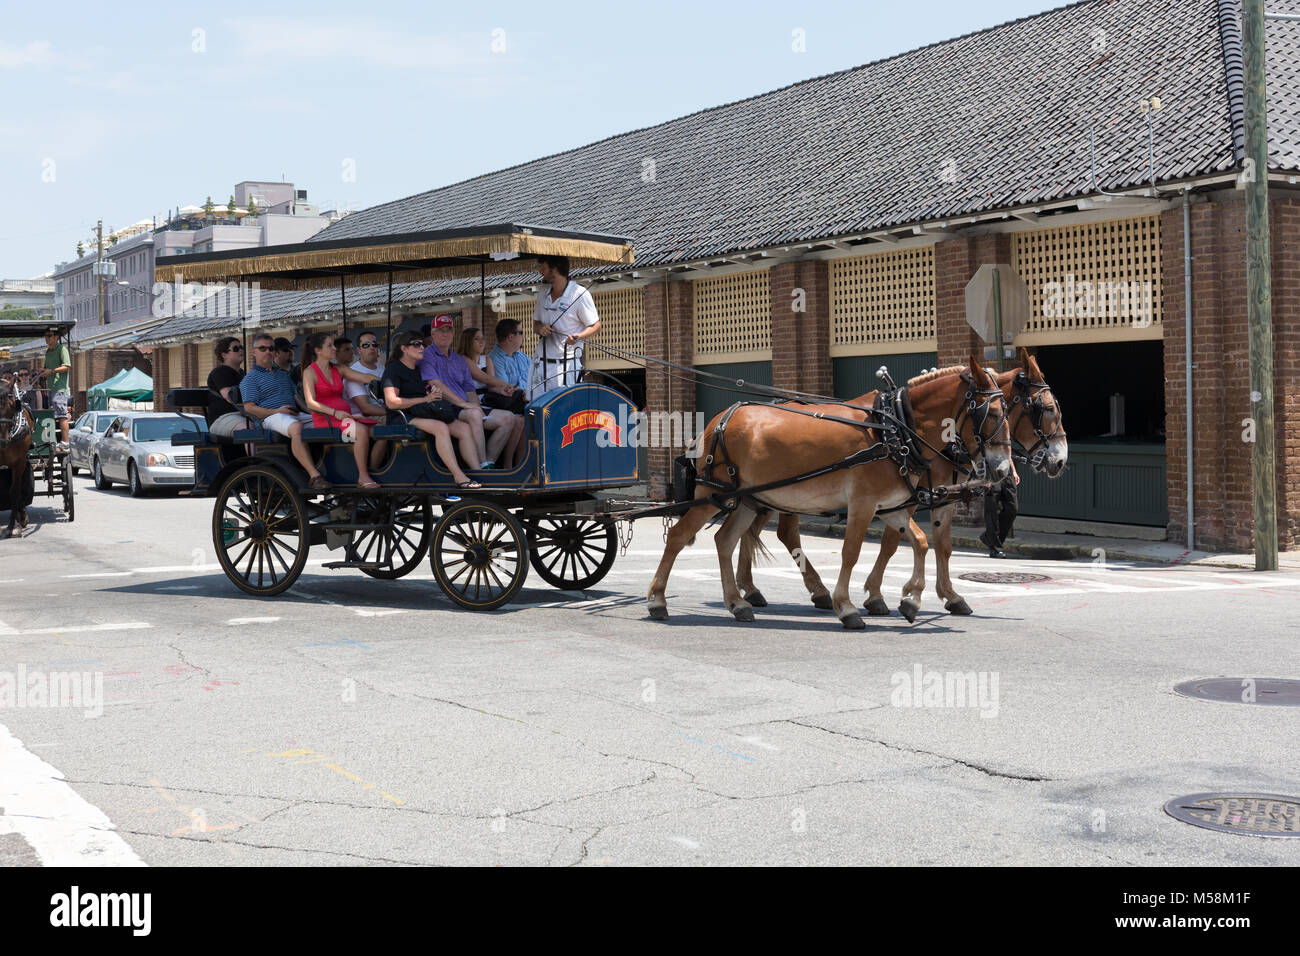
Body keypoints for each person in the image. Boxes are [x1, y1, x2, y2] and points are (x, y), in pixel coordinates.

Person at [381, 331, 481, 489]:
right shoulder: (393, 369)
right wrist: (424, 399)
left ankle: (479, 471)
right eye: (416, 344)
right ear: (404, 349)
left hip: (421, 413)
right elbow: (392, 402)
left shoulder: (417, 370)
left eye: (422, 344)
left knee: (463, 428)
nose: (422, 347)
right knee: (440, 427)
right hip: (402, 417)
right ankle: (458, 475)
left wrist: (432, 395)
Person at [419, 314, 514, 469]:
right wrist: (464, 404)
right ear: (433, 333)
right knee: (474, 414)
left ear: (453, 333)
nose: (445, 334)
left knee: (509, 418)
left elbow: (469, 389)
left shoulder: (459, 359)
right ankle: (482, 464)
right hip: (444, 408)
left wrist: (475, 405)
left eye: (448, 330)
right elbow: (435, 384)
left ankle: (489, 462)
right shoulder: (426, 356)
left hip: (464, 407)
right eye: (440, 330)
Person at [240, 333, 331, 490]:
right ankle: (314, 476)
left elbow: (299, 400)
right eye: (263, 348)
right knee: (296, 427)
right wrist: (276, 410)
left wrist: (319, 413)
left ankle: (333, 471)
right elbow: (249, 408)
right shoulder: (250, 378)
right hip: (271, 418)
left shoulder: (283, 376)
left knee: (329, 424)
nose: (268, 351)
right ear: (254, 352)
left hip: (293, 414)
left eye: (271, 348)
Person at [299, 332, 381, 489]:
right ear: (318, 350)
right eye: (330, 345)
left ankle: (372, 469)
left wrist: (388, 381)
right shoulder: (310, 372)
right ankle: (363, 477)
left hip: (345, 418)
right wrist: (335, 413)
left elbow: (365, 377)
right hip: (327, 421)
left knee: (383, 431)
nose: (334, 348)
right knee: (361, 431)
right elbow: (311, 402)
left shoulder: (339, 369)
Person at [529, 255, 600, 400]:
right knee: (535, 408)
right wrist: (540, 328)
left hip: (566, 365)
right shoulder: (542, 292)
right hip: (540, 363)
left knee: (564, 410)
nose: (540, 272)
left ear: (554, 269)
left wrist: (579, 336)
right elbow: (535, 325)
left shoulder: (580, 293)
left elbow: (595, 325)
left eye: (543, 268)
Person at [456, 326, 526, 468]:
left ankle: (505, 464)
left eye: (482, 338)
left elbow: (491, 385)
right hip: (471, 401)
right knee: (508, 418)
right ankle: (487, 463)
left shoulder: (486, 359)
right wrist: (506, 384)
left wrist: (506, 390)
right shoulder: (463, 359)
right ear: (467, 342)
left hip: (488, 400)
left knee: (519, 420)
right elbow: (483, 377)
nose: (482, 342)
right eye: (477, 339)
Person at [345, 330, 390, 471]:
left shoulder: (383, 369)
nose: (372, 347)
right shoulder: (354, 372)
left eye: (374, 344)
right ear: (358, 350)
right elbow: (365, 408)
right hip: (359, 418)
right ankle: (372, 470)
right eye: (366, 345)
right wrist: (391, 412)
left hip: (380, 412)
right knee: (388, 428)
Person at [206, 336, 249, 439]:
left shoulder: (244, 374)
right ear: (224, 355)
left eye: (241, 347)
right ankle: (255, 455)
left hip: (244, 415)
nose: (241, 350)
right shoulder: (219, 372)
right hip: (223, 418)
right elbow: (229, 396)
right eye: (236, 348)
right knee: (248, 429)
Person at [39, 328, 72, 450]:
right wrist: (42, 372)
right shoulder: (48, 351)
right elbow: (46, 368)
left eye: (49, 335)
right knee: (52, 415)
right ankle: (50, 441)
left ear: (56, 337)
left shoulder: (62, 350)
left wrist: (51, 371)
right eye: (45, 335)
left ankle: (65, 443)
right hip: (50, 389)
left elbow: (67, 366)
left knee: (62, 416)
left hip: (60, 389)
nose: (46, 338)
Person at [979, 461, 1020, 558]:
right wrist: (985, 476)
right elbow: (980, 455)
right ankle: (995, 548)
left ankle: (988, 537)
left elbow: (1008, 453)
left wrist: (1014, 471)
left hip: (1007, 473)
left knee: (1012, 509)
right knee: (992, 511)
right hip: (991, 473)